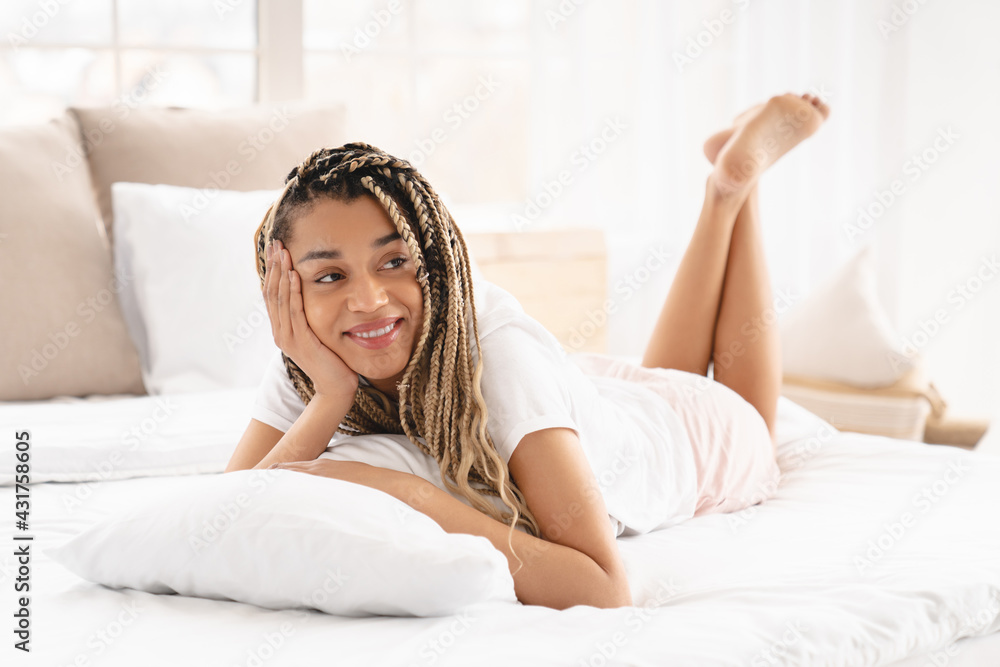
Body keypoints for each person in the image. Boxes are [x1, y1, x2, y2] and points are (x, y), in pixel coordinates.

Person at [224, 92, 831, 611]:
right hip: (605, 398)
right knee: (662, 377)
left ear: (433, 260)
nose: (369, 299)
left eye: (394, 261)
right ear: (287, 288)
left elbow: (602, 587)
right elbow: (224, 514)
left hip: (689, 440)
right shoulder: (313, 357)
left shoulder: (498, 358)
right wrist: (332, 396)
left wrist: (411, 496)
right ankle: (724, 187)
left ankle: (734, 190)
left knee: (750, 417)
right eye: (330, 276)